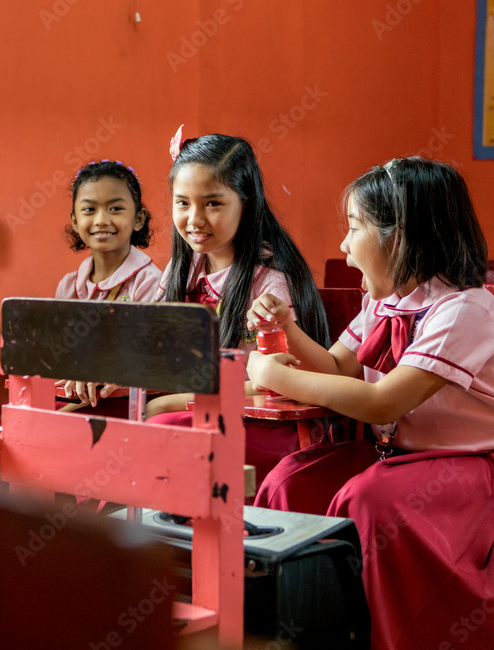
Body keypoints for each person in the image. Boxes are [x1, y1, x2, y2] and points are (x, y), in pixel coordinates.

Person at [248, 157, 494, 650]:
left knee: (369, 499)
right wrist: (287, 330)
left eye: (355, 228)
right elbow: (339, 366)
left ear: (400, 238)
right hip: (391, 453)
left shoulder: (466, 309)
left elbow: (385, 400)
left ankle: (377, 648)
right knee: (292, 480)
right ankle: (292, 639)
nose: (344, 246)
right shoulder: (386, 301)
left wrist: (274, 375)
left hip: (467, 468)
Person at [145, 132, 329, 485]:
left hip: (265, 424)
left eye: (213, 203)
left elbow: (276, 385)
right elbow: (156, 352)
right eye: (182, 203)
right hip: (201, 409)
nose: (195, 219)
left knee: (161, 429)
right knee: (94, 416)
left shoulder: (270, 281)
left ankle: (148, 537)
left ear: (246, 203)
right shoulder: (183, 268)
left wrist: (171, 403)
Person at [55, 159, 164, 410]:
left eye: (115, 209)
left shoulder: (151, 283)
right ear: (74, 220)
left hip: (128, 402)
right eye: (89, 210)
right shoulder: (69, 287)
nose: (101, 220)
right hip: (74, 396)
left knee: (46, 426)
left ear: (138, 218)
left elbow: (151, 358)